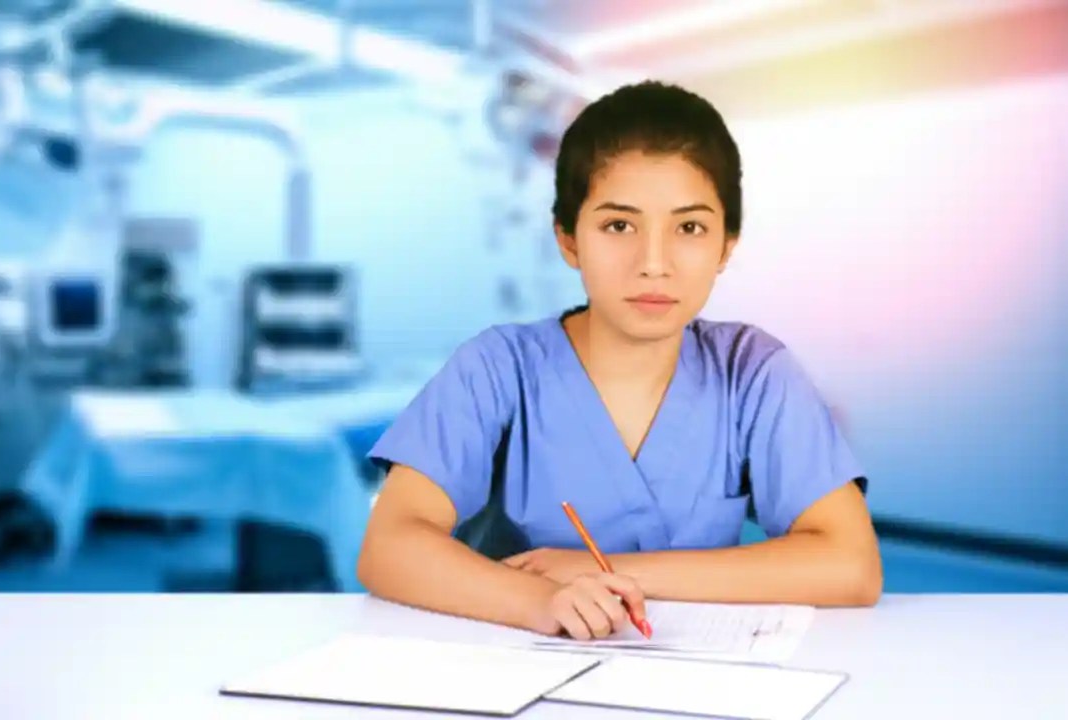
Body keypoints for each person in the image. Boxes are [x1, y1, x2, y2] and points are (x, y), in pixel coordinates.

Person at [357, 80, 882, 641]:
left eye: (689, 228)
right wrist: (543, 603)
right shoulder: (498, 368)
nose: (653, 263)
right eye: (618, 226)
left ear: (726, 245)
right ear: (568, 239)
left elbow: (851, 566)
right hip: (522, 665)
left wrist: (606, 571)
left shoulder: (751, 372)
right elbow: (390, 545)